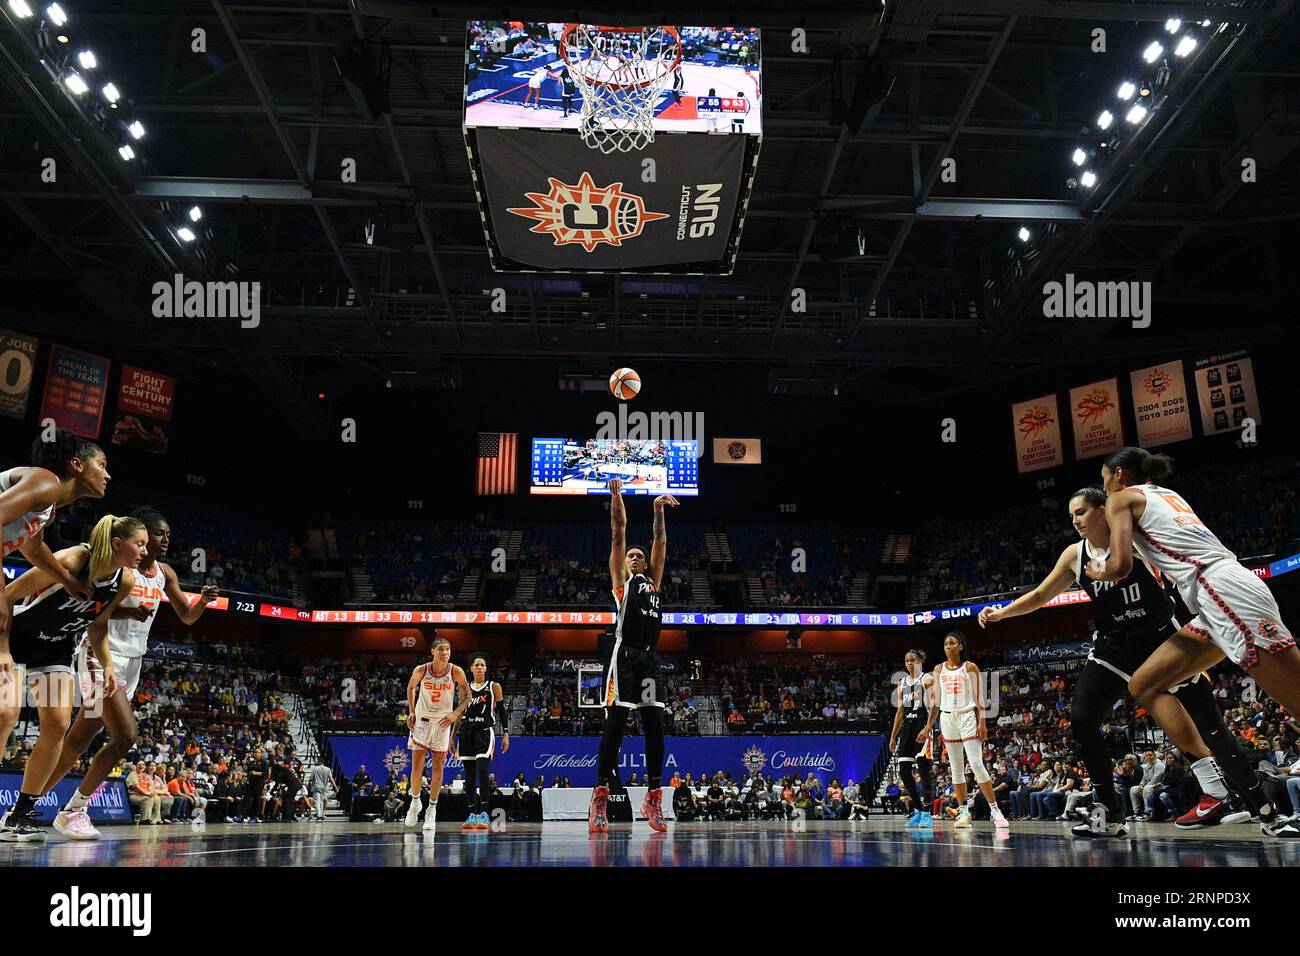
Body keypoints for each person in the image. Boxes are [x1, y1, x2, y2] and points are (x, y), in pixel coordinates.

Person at [980, 486, 1274, 837]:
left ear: (1104, 510)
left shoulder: (1139, 540)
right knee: (1081, 720)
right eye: (1072, 515)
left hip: (1162, 638)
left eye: (1082, 512)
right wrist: (1002, 614)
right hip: (1113, 647)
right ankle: (1109, 814)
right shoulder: (1075, 555)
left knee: (1211, 725)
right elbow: (1043, 594)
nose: (1075, 521)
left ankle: (1262, 809)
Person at [1089, 447, 1299, 837]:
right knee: (1145, 684)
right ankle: (1213, 787)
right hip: (1214, 598)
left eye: (1103, 478)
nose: (1103, 490)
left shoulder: (1120, 497)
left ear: (1119, 474)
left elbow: (1120, 565)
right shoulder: (1167, 494)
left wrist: (1098, 568)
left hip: (1223, 592)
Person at [40, 506, 218, 840]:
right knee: (125, 735)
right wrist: (126, 615)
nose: (165, 540)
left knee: (80, 739)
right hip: (101, 655)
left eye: (168, 535)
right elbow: (95, 613)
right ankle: (74, 810)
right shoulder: (120, 569)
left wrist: (203, 601)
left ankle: (25, 805)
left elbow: (187, 617)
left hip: (133, 663)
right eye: (160, 533)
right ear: (142, 535)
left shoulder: (164, 572)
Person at [0, 514, 144, 842]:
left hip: (55, 651)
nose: (144, 551)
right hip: (16, 638)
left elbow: (97, 623)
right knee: (4, 719)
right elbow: (6, 595)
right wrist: (3, 648)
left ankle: (17, 817)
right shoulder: (73, 559)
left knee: (57, 725)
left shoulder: (124, 581)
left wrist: (106, 664)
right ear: (118, 543)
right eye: (140, 543)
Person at [588, 479, 678, 834]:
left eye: (639, 555)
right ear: (624, 564)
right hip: (623, 657)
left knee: (655, 726)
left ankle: (653, 797)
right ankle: (599, 798)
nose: (637, 557)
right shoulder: (623, 582)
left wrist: (658, 510)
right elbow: (618, 531)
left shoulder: (653, 581)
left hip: (649, 660)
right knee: (616, 726)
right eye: (632, 556)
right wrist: (616, 496)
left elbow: (661, 542)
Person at [0, 430, 105, 641]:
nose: (107, 475)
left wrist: (68, 580)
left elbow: (35, 549)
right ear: (77, 465)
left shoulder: (48, 508)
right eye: (102, 465)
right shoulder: (45, 481)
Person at [923, 631, 1009, 830]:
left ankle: (995, 811)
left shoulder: (969, 667)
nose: (949, 647)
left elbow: (979, 696)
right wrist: (929, 725)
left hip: (968, 716)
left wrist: (982, 722)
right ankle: (963, 813)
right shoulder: (938, 669)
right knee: (956, 769)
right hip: (947, 717)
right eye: (946, 644)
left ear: (961, 646)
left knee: (977, 764)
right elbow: (935, 700)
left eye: (952, 643)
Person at [403, 636, 472, 830]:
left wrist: (455, 713)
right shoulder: (421, 670)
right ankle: (415, 802)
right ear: (432, 651)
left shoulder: (456, 671)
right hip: (422, 722)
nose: (444, 653)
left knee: (438, 769)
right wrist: (411, 711)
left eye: (448, 649)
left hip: (443, 723)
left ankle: (431, 809)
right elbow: (410, 687)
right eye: (441, 649)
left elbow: (468, 696)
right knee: (417, 767)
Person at [455, 653, 510, 831]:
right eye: (476, 664)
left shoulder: (494, 686)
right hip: (466, 732)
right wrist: (451, 737)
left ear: (486, 669)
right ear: (471, 668)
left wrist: (506, 733)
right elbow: (458, 714)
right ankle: (472, 814)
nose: (479, 667)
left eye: (482, 665)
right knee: (469, 776)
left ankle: (484, 813)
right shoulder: (464, 688)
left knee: (482, 771)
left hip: (484, 732)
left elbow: (502, 711)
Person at [888, 648, 934, 828]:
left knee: (923, 770)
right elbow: (900, 712)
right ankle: (918, 809)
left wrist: (929, 728)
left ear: (921, 661)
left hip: (922, 724)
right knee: (904, 773)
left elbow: (935, 705)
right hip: (907, 727)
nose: (909, 663)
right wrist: (893, 737)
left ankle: (928, 813)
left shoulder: (927, 679)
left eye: (913, 660)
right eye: (907, 660)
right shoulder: (902, 684)